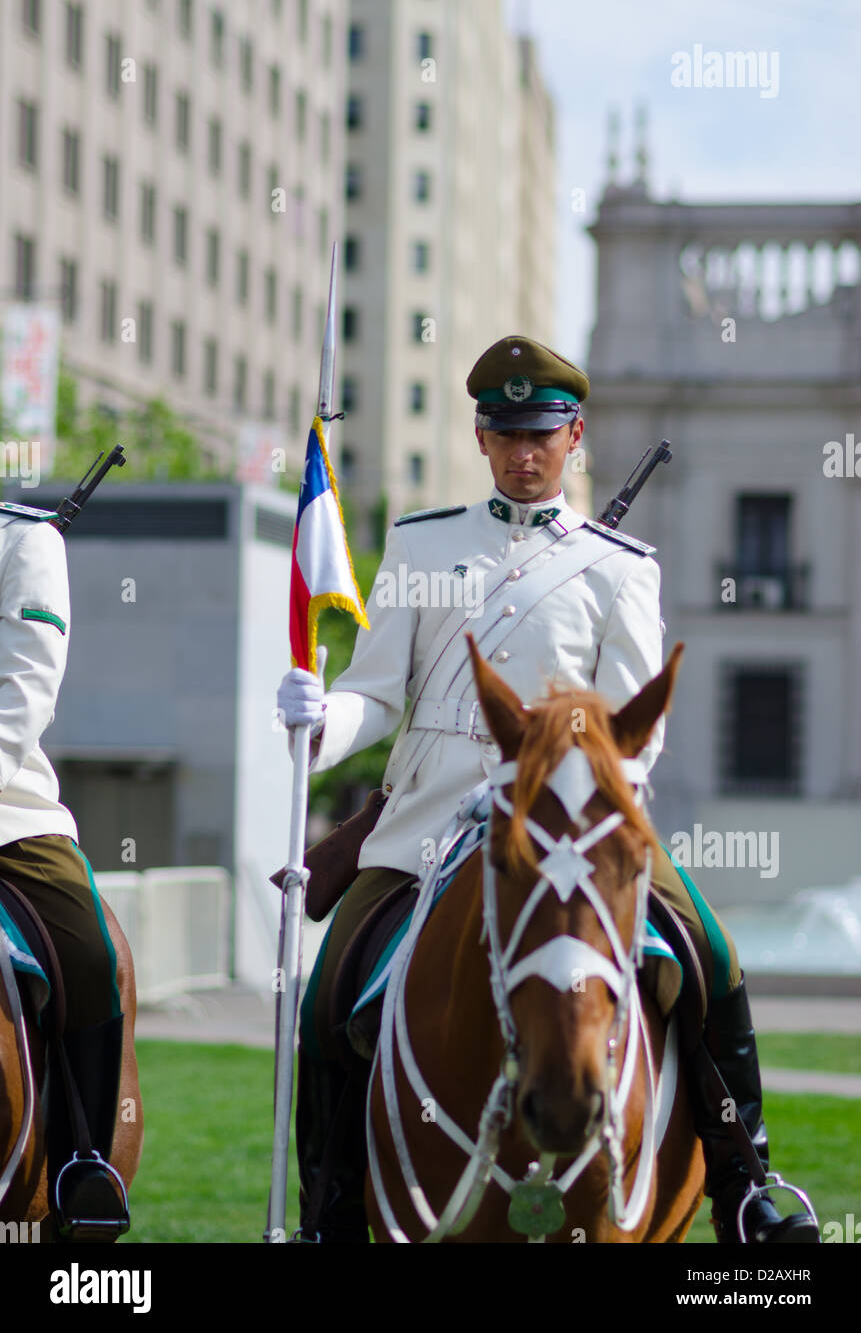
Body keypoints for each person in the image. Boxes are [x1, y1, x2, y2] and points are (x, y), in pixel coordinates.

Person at [278, 335, 818, 1245]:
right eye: (505, 433)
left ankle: (745, 1182)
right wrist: (321, 721)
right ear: (482, 439)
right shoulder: (421, 543)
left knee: (712, 958)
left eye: (543, 433)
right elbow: (377, 694)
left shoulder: (620, 568)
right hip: (423, 828)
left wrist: (582, 801)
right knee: (329, 988)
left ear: (575, 437)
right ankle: (331, 1205)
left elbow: (636, 731)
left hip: (574, 822)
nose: (524, 453)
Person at [0, 501, 127, 1237]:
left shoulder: (25, 540)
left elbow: (24, 693)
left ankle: (85, 1162)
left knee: (88, 952)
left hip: (9, 813)